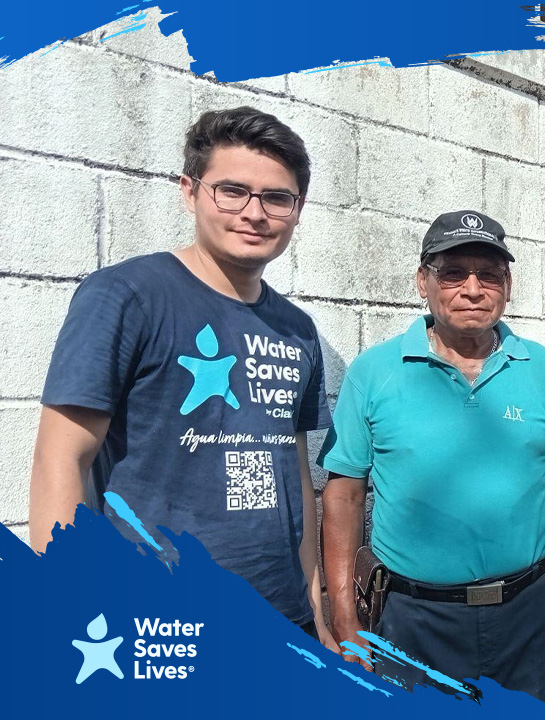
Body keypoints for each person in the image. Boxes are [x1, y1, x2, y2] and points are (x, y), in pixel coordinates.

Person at [28, 107, 335, 647]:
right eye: (231, 190)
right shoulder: (125, 296)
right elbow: (61, 458)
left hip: (284, 622)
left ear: (297, 209)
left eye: (276, 198)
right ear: (190, 191)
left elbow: (293, 473)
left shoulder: (297, 329)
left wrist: (316, 611)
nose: (254, 213)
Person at [319, 210, 545, 703]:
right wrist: (344, 615)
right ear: (422, 282)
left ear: (507, 285)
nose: (472, 288)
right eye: (453, 273)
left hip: (528, 611)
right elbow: (343, 496)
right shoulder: (375, 372)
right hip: (413, 620)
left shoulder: (541, 368)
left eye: (489, 274)